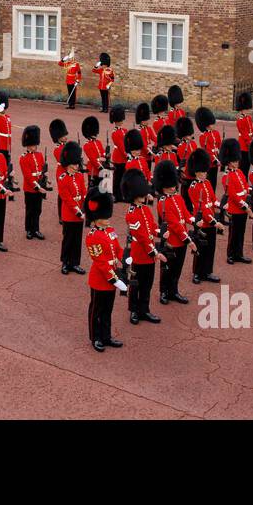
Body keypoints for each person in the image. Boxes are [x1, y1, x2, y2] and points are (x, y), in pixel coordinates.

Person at [121, 169, 165, 326]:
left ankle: (144, 309)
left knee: (147, 283)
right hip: (140, 255)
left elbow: (151, 226)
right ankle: (134, 310)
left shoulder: (145, 209)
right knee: (136, 284)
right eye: (141, 194)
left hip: (150, 254)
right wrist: (155, 252)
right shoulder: (131, 213)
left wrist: (161, 232)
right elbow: (141, 236)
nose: (144, 196)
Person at [84, 187, 125, 352]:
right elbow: (100, 262)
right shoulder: (92, 236)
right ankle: (95, 337)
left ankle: (106, 336)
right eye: (104, 216)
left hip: (112, 276)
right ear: (95, 217)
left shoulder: (110, 230)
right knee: (97, 310)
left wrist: (126, 257)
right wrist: (115, 279)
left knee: (108, 310)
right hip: (101, 280)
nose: (108, 219)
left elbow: (117, 248)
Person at [153, 160, 194, 305]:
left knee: (178, 267)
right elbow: (174, 224)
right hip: (172, 241)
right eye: (170, 186)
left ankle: (173, 291)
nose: (173, 188)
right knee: (167, 268)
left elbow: (185, 214)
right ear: (163, 187)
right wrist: (188, 240)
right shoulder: (162, 202)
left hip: (181, 239)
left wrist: (194, 220)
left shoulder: (177, 197)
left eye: (173, 185)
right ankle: (164, 292)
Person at [186, 148, 222, 284]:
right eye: (202, 172)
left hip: (211, 220)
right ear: (196, 172)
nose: (205, 174)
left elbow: (213, 200)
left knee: (210, 248)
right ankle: (197, 272)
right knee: (200, 249)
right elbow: (201, 208)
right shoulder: (193, 187)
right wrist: (214, 222)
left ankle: (207, 271)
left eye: (206, 171)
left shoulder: (207, 183)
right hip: (202, 222)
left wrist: (222, 205)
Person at [57, 141, 88, 275]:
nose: (77, 166)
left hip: (79, 213)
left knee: (77, 240)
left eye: (77, 164)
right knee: (68, 239)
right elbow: (67, 199)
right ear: (68, 164)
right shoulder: (63, 178)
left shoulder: (80, 176)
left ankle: (75, 263)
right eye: (75, 164)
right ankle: (65, 262)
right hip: (69, 214)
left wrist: (86, 208)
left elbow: (83, 193)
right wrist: (78, 212)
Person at [219, 139, 250, 265]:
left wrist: (246, 198)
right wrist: (244, 205)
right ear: (228, 162)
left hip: (243, 206)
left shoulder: (240, 172)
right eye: (234, 161)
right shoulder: (226, 177)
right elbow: (232, 194)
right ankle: (230, 254)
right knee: (233, 234)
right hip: (235, 208)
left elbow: (246, 187)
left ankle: (239, 253)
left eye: (237, 161)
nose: (236, 163)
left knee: (241, 233)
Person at [18, 125, 49, 240]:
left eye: (35, 145)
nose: (34, 147)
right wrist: (37, 187)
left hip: (39, 186)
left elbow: (41, 171)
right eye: (31, 145)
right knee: (30, 210)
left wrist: (44, 178)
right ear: (27, 145)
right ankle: (29, 230)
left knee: (38, 209)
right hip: (30, 188)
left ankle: (36, 229)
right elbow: (27, 176)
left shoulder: (40, 155)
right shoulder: (23, 158)